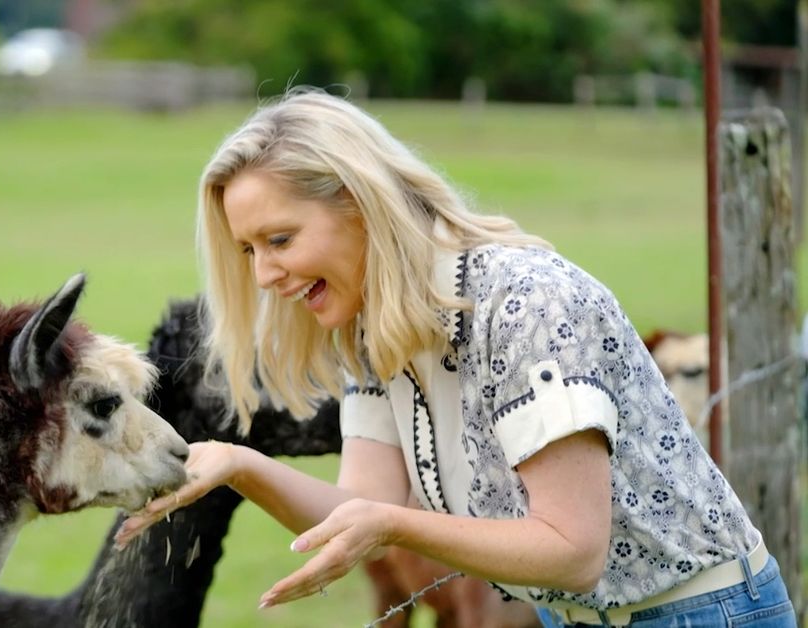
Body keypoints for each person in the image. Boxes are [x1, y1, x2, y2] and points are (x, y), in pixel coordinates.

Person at [113, 89, 795, 626]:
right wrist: (239, 465)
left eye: (279, 239)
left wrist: (393, 523)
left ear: (357, 203)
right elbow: (362, 512)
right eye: (247, 250)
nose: (263, 276)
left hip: (703, 615)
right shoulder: (371, 330)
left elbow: (573, 548)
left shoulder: (527, 301)